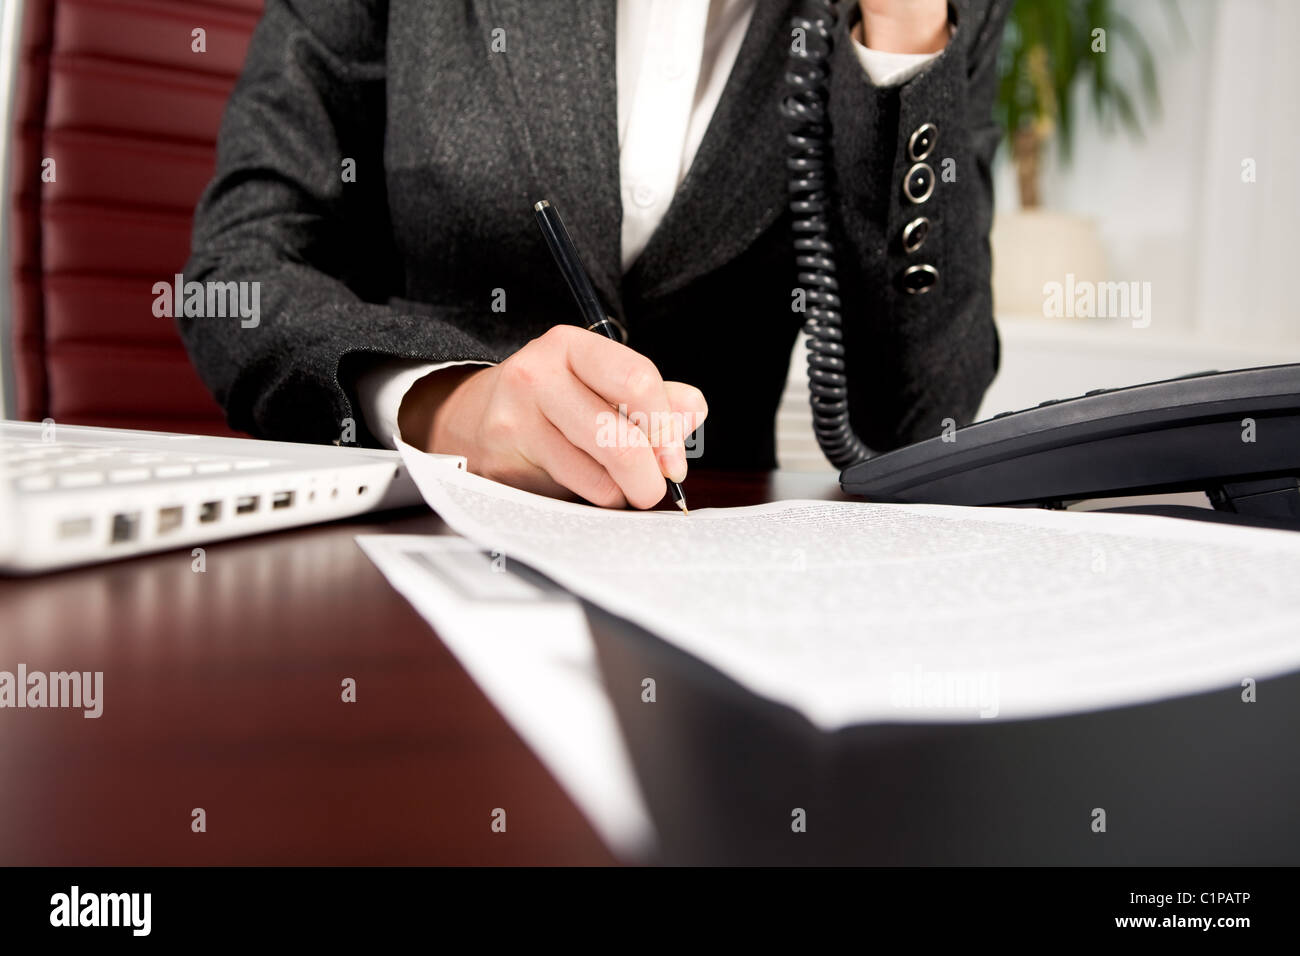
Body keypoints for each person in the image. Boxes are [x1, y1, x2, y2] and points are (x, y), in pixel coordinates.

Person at [181, 0, 1006, 509]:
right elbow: (236, 269)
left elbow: (918, 420)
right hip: (409, 546)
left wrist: (900, 37)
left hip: (714, 578)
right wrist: (444, 404)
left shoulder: (944, 11)